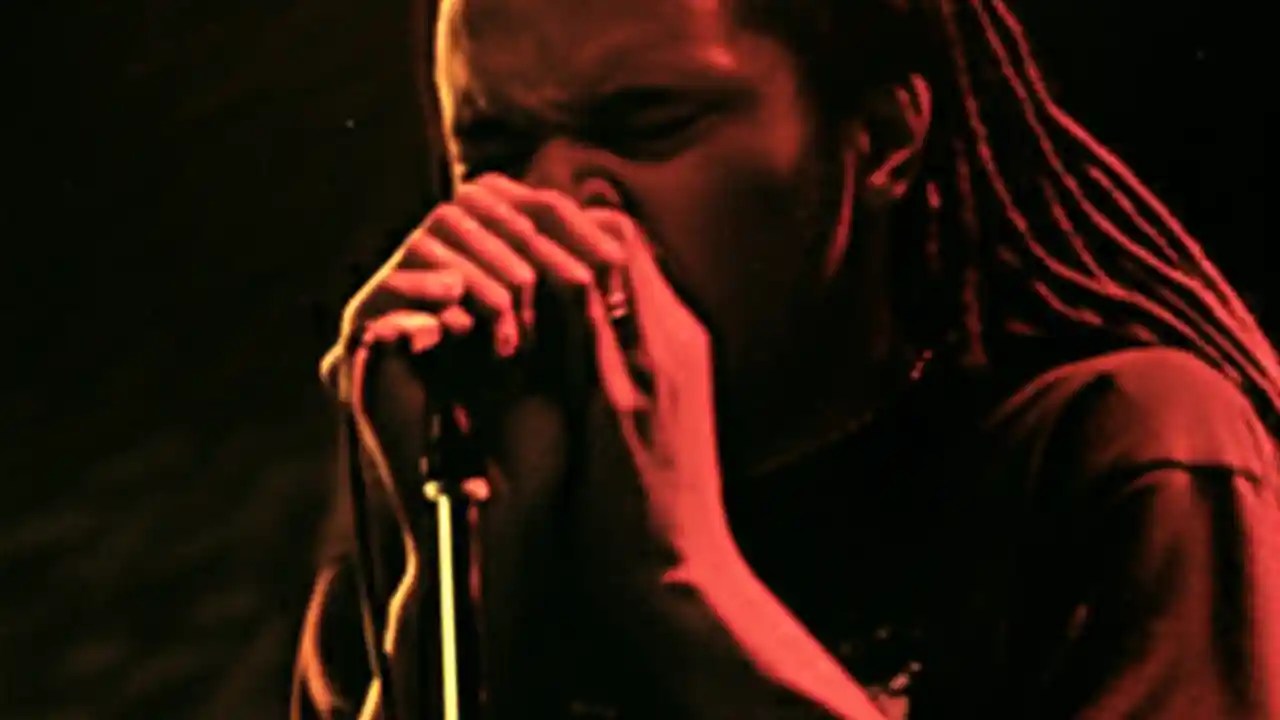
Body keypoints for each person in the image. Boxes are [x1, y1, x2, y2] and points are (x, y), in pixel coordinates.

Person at [292, 0, 1280, 717]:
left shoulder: (1119, 450)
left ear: (884, 138)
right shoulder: (446, 520)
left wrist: (682, 587)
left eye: (645, 125)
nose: (556, 201)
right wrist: (449, 607)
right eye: (495, 145)